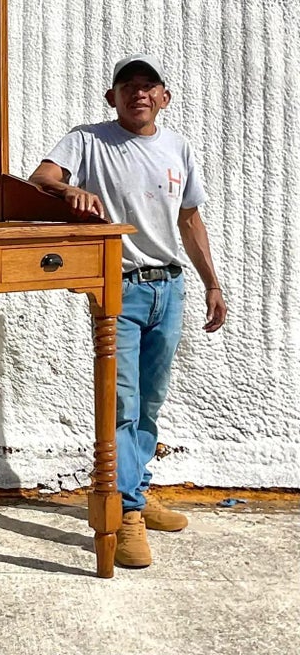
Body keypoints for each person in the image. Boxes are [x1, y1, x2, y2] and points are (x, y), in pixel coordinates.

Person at [29, 53, 227, 568]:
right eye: (127, 86)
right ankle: (129, 514)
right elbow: (39, 178)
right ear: (111, 97)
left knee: (151, 403)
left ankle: (132, 492)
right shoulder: (88, 139)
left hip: (170, 287)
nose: (138, 93)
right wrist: (70, 188)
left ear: (164, 96)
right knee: (122, 403)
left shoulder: (177, 147)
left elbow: (190, 220)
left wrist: (211, 282)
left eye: (148, 86)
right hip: (118, 288)